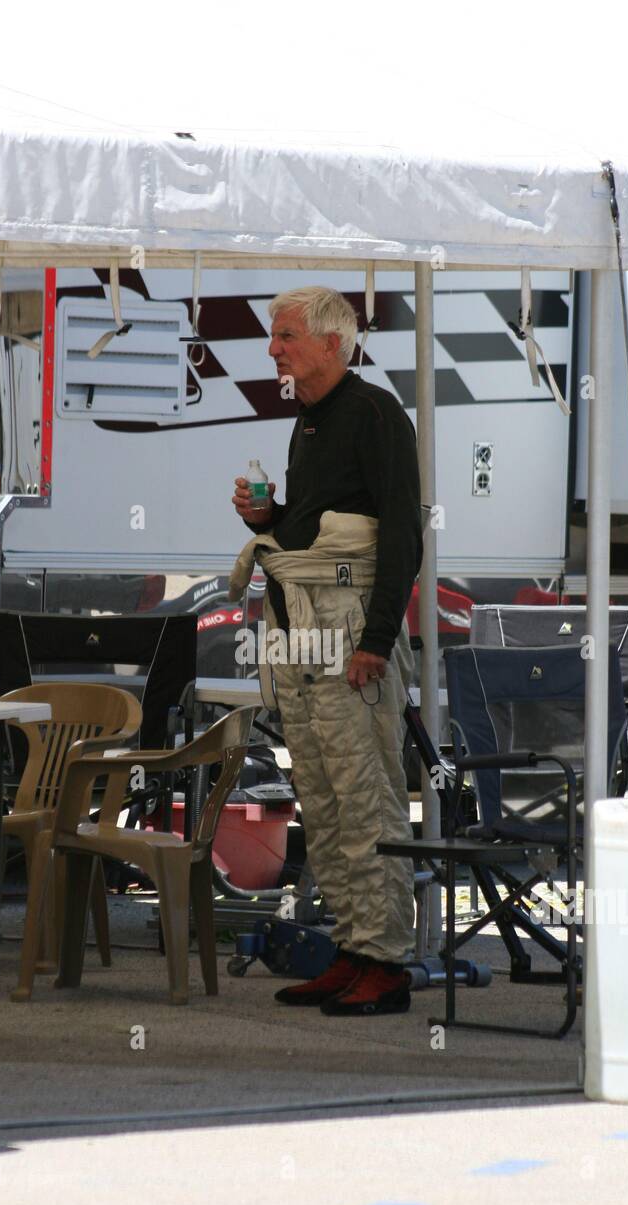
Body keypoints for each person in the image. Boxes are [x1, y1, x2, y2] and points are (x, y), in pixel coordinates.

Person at [231, 286, 423, 1015]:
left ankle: (387, 962)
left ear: (332, 344)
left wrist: (376, 641)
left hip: (347, 630)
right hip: (303, 624)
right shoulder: (307, 420)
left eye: (284, 337)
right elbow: (314, 528)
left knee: (366, 792)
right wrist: (270, 516)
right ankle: (352, 947)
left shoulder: (375, 415)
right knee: (320, 790)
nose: (273, 350)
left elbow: (403, 533)